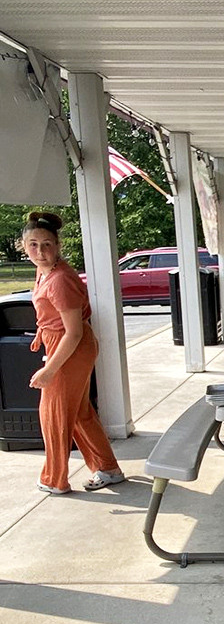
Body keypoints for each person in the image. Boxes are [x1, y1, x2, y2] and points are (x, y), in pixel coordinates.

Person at [21, 211, 125, 494]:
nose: (40, 251)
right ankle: (108, 468)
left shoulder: (59, 280)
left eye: (47, 244)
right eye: (33, 244)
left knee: (53, 415)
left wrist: (49, 370)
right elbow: (51, 314)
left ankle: (55, 480)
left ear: (57, 245)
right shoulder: (44, 272)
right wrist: (42, 334)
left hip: (71, 347)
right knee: (79, 412)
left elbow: (74, 332)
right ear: (23, 246)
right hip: (63, 342)